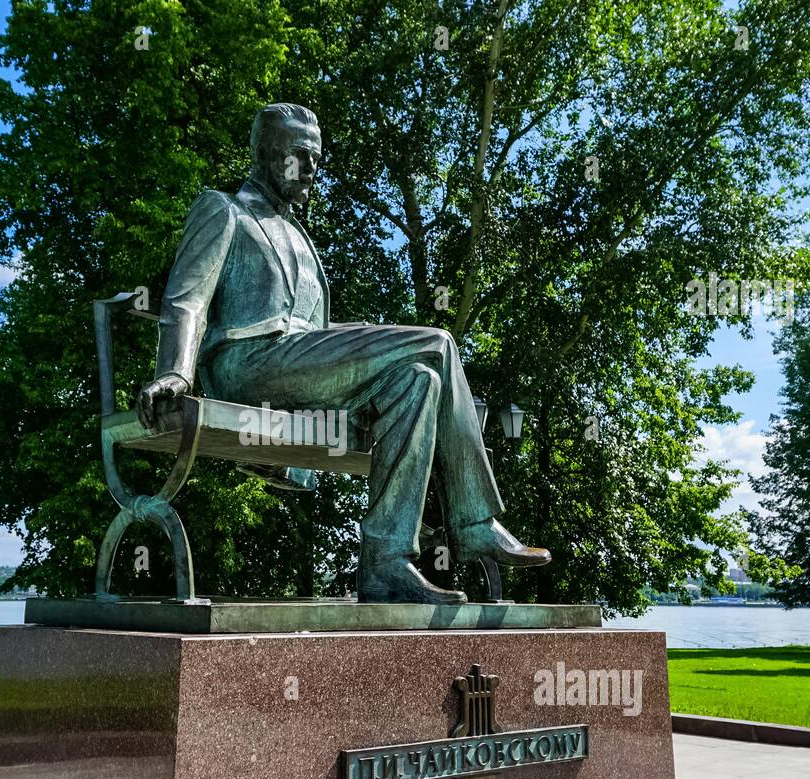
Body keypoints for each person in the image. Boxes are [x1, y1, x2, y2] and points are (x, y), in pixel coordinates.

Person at [136, 103, 550, 604]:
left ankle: (385, 562)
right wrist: (176, 374)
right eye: (301, 156)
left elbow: (317, 334)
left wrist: (374, 344)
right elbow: (187, 297)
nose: (313, 169)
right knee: (438, 343)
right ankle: (474, 521)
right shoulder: (224, 210)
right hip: (246, 366)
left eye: (317, 158)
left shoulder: (300, 236)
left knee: (420, 382)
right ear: (266, 154)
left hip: (297, 373)